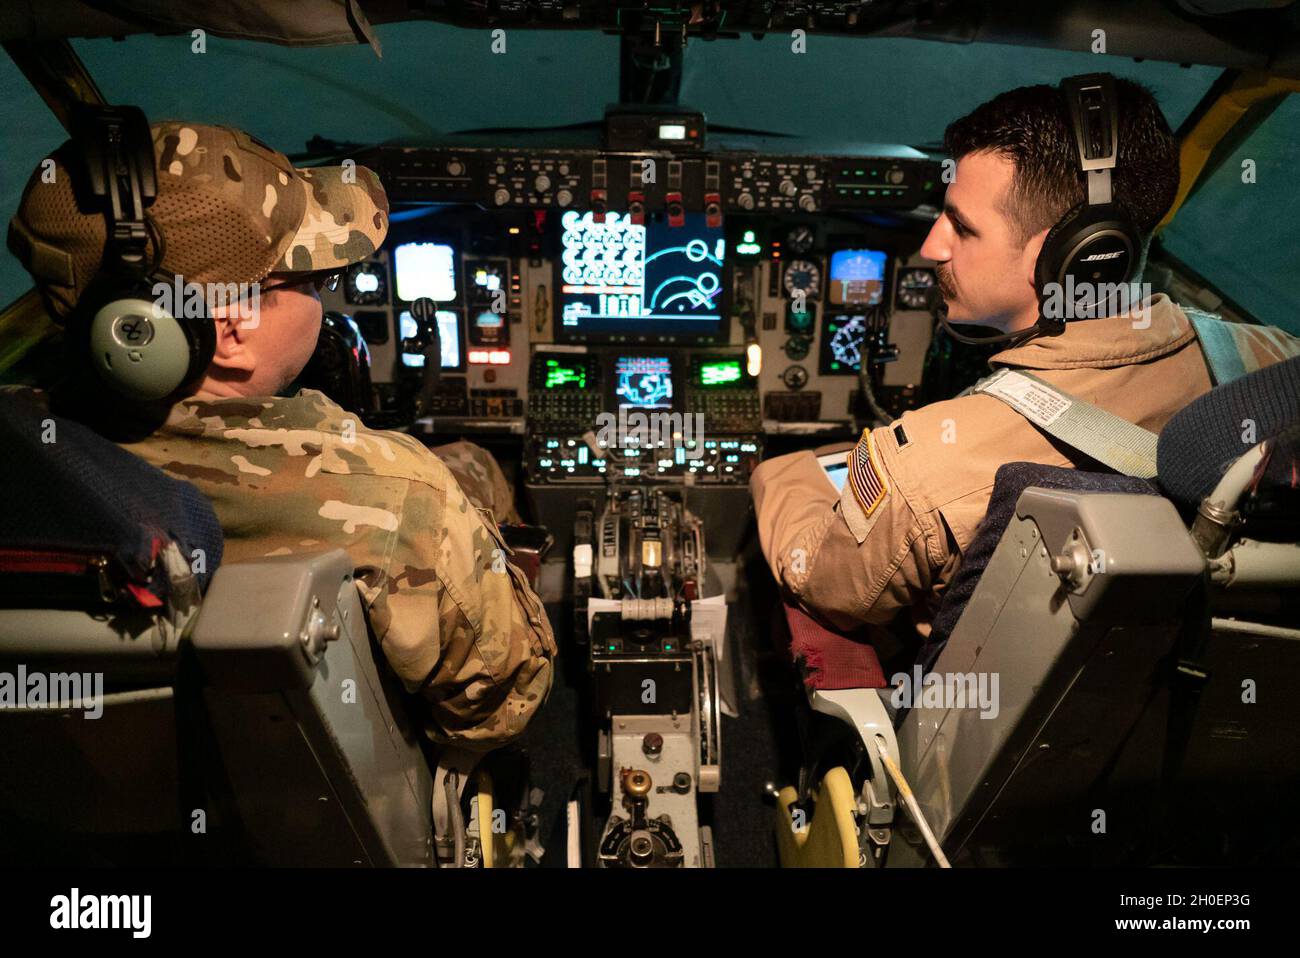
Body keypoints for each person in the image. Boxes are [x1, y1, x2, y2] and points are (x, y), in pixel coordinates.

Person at [6, 120, 556, 748]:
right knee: (472, 465)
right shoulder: (399, 498)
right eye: (314, 280)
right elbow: (503, 703)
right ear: (232, 333)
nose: (327, 301)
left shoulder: (20, 453)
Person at [751, 76, 1300, 636]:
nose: (931, 245)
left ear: (1079, 258)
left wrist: (784, 471)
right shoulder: (1276, 366)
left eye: (962, 228)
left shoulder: (928, 470)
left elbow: (829, 586)